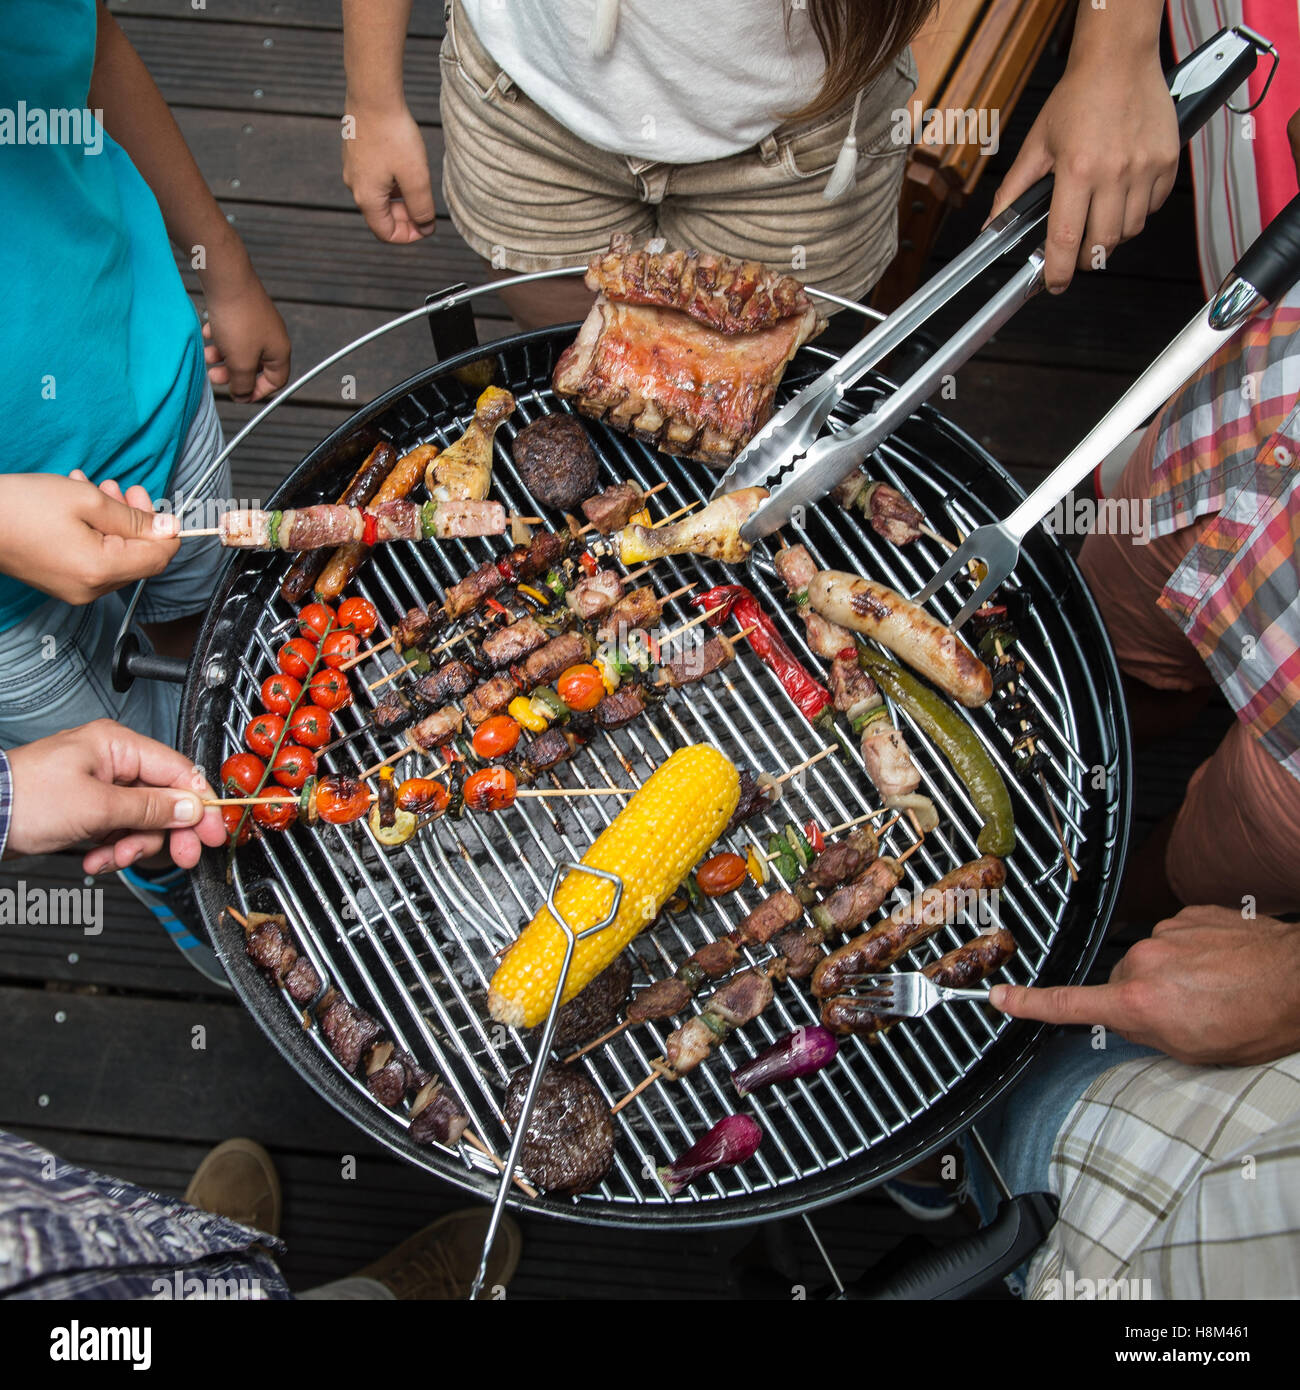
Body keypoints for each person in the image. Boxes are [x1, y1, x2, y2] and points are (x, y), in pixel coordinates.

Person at [0, 1, 291, 976]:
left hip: (146, 385)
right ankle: (204, 916)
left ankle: (240, 773)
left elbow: (91, 42)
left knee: (203, 626)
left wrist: (223, 260)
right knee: (110, 774)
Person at [341, 0, 1179, 328]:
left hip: (805, 137)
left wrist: (1116, 44)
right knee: (577, 351)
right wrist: (372, 94)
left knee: (757, 384)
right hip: (532, 103)